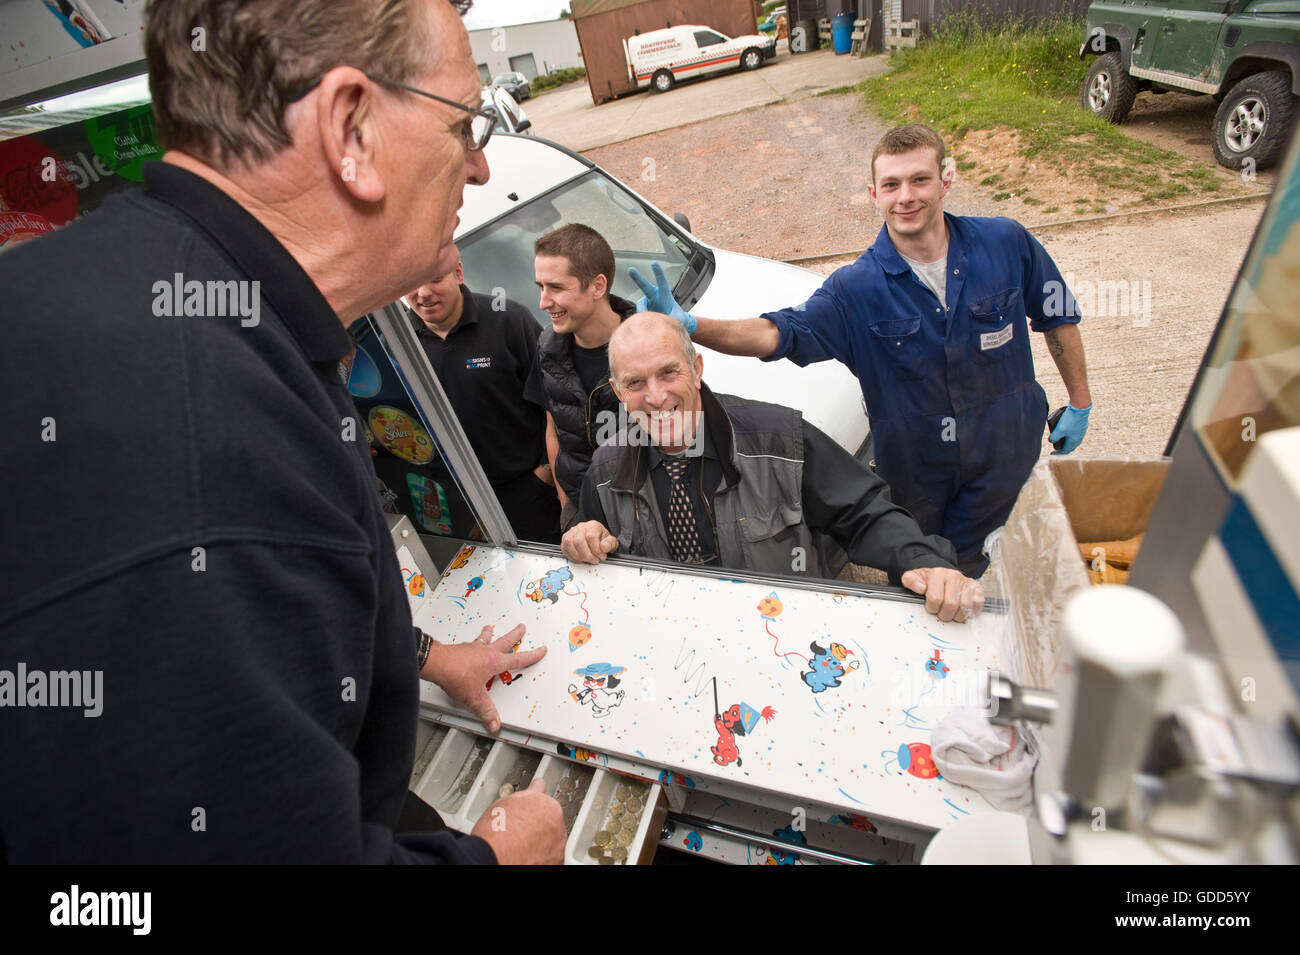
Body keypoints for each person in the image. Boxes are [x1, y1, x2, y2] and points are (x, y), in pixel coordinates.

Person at [0, 0, 564, 864]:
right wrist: (500, 860)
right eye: (466, 122)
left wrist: (416, 652)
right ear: (351, 130)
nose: (480, 166)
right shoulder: (201, 443)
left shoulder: (186, 314)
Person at [632, 124, 1093, 577]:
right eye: (891, 185)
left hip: (1008, 456)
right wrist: (691, 325)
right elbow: (775, 334)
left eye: (919, 180)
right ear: (874, 194)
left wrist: (1080, 403)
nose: (906, 197)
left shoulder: (1006, 243)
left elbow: (1057, 318)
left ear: (945, 181)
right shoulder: (857, 290)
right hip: (921, 483)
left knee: (1019, 568)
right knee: (927, 582)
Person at [561, 313, 984, 623]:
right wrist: (581, 537)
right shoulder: (603, 469)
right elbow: (593, 544)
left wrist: (925, 560)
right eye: (635, 383)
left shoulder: (781, 440)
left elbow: (866, 515)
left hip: (788, 640)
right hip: (677, 647)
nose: (655, 397)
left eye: (668, 373)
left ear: (697, 369)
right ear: (617, 391)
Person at [405, 248, 560, 542]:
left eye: (434, 279)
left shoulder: (509, 320)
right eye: (411, 284)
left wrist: (545, 473)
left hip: (531, 495)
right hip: (452, 509)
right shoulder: (398, 343)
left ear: (458, 273)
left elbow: (558, 403)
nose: (423, 294)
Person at [522, 223, 637, 531]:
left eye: (556, 288)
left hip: (641, 511)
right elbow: (553, 429)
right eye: (541, 287)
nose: (543, 302)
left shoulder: (647, 346)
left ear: (597, 286)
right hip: (581, 511)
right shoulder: (548, 347)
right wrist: (567, 507)